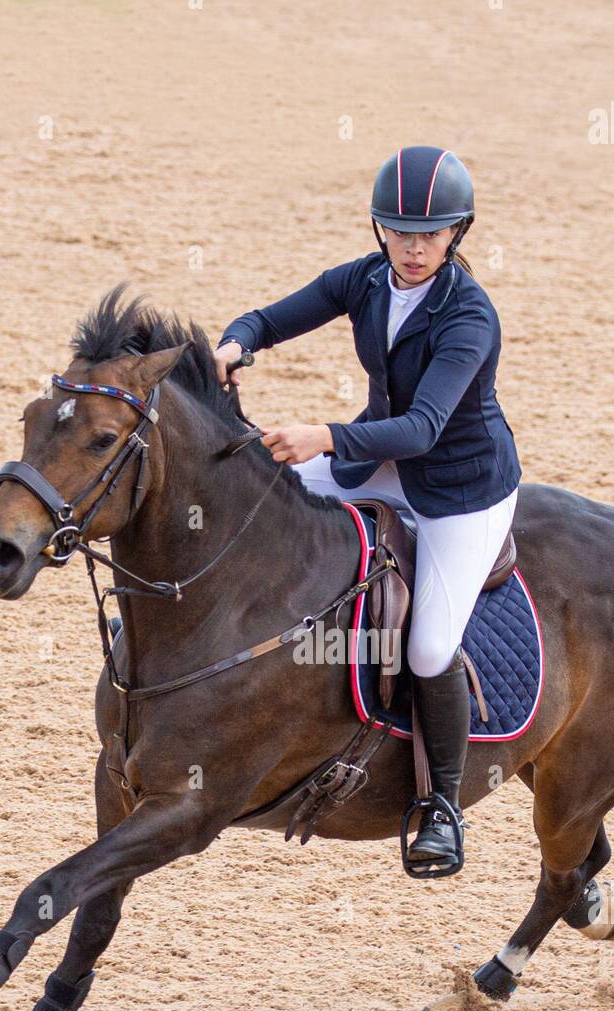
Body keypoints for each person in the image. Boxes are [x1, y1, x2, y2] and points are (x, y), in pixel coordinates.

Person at [214, 146, 521, 874]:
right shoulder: (367, 279)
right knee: (263, 496)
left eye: (431, 234)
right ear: (380, 228)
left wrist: (322, 436)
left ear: (457, 234)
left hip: (459, 490)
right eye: (399, 231)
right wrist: (233, 345)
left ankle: (441, 809)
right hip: (377, 456)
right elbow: (272, 317)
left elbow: (423, 429)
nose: (413, 249)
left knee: (428, 647)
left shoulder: (470, 316)